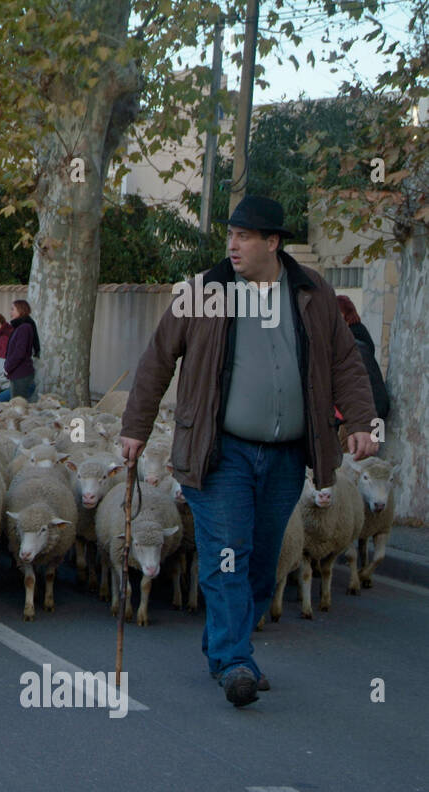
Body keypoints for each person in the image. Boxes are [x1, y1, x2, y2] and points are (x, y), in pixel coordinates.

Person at [119, 196, 377, 708]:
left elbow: (345, 360)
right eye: (230, 235)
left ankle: (222, 644)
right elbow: (156, 360)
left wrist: (364, 422)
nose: (233, 245)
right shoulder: (204, 293)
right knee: (227, 554)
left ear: (272, 242)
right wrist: (135, 428)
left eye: (244, 236)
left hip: (286, 454)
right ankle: (237, 660)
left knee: (263, 562)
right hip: (221, 451)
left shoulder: (310, 292)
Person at [334, 294, 388, 422]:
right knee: (375, 440)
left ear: (341, 314)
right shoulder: (360, 331)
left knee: (355, 441)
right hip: (378, 407)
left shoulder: (350, 339)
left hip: (367, 409)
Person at [0, 300, 39, 401]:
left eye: (13, 309)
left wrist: (7, 367)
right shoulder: (20, 327)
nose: (10, 312)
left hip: (21, 374)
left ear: (21, 310)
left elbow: (19, 352)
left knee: (18, 404)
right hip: (17, 374)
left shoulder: (24, 328)